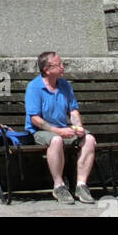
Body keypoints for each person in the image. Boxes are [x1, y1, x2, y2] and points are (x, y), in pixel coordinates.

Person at [24, 51, 98, 204]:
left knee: (89, 139)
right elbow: (35, 119)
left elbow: (73, 110)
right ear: (47, 69)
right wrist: (58, 131)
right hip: (41, 131)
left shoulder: (65, 85)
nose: (63, 67)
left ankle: (81, 185)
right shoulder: (34, 87)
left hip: (63, 128)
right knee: (56, 140)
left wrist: (78, 127)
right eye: (59, 64)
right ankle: (59, 186)